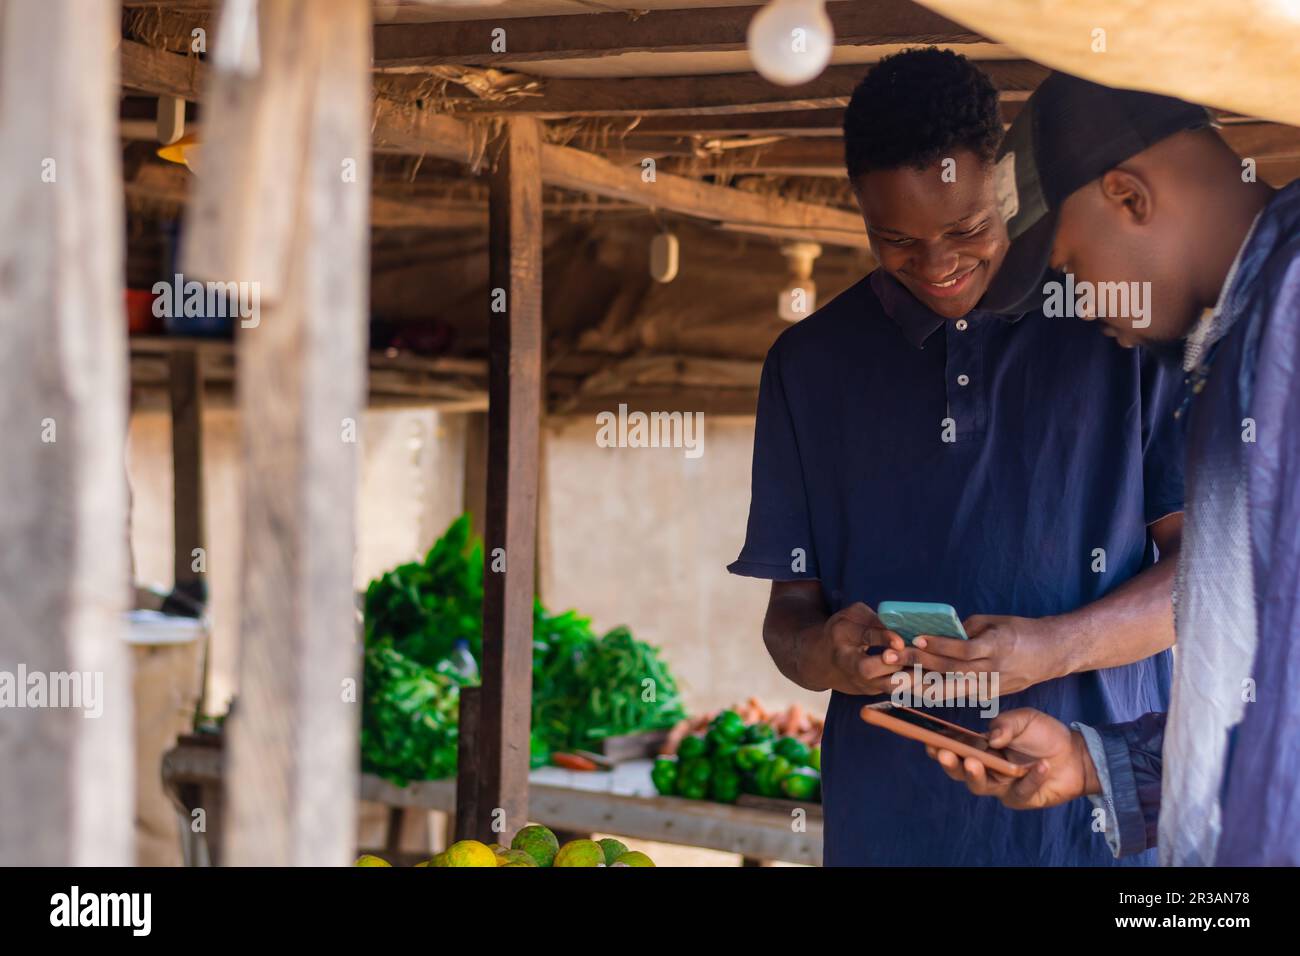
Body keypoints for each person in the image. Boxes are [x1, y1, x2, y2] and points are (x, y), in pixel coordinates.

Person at [728, 49, 1187, 866]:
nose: (937, 267)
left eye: (967, 229)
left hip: (1092, 829)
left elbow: (1204, 575)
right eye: (895, 240)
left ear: (1005, 187)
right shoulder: (809, 365)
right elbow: (788, 618)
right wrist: (824, 656)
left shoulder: (1119, 328)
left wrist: (1056, 648)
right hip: (892, 829)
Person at [928, 72, 1299, 866]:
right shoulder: (1234, 343)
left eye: (1070, 261)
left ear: (1129, 196)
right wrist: (1096, 762)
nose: (1081, 297)